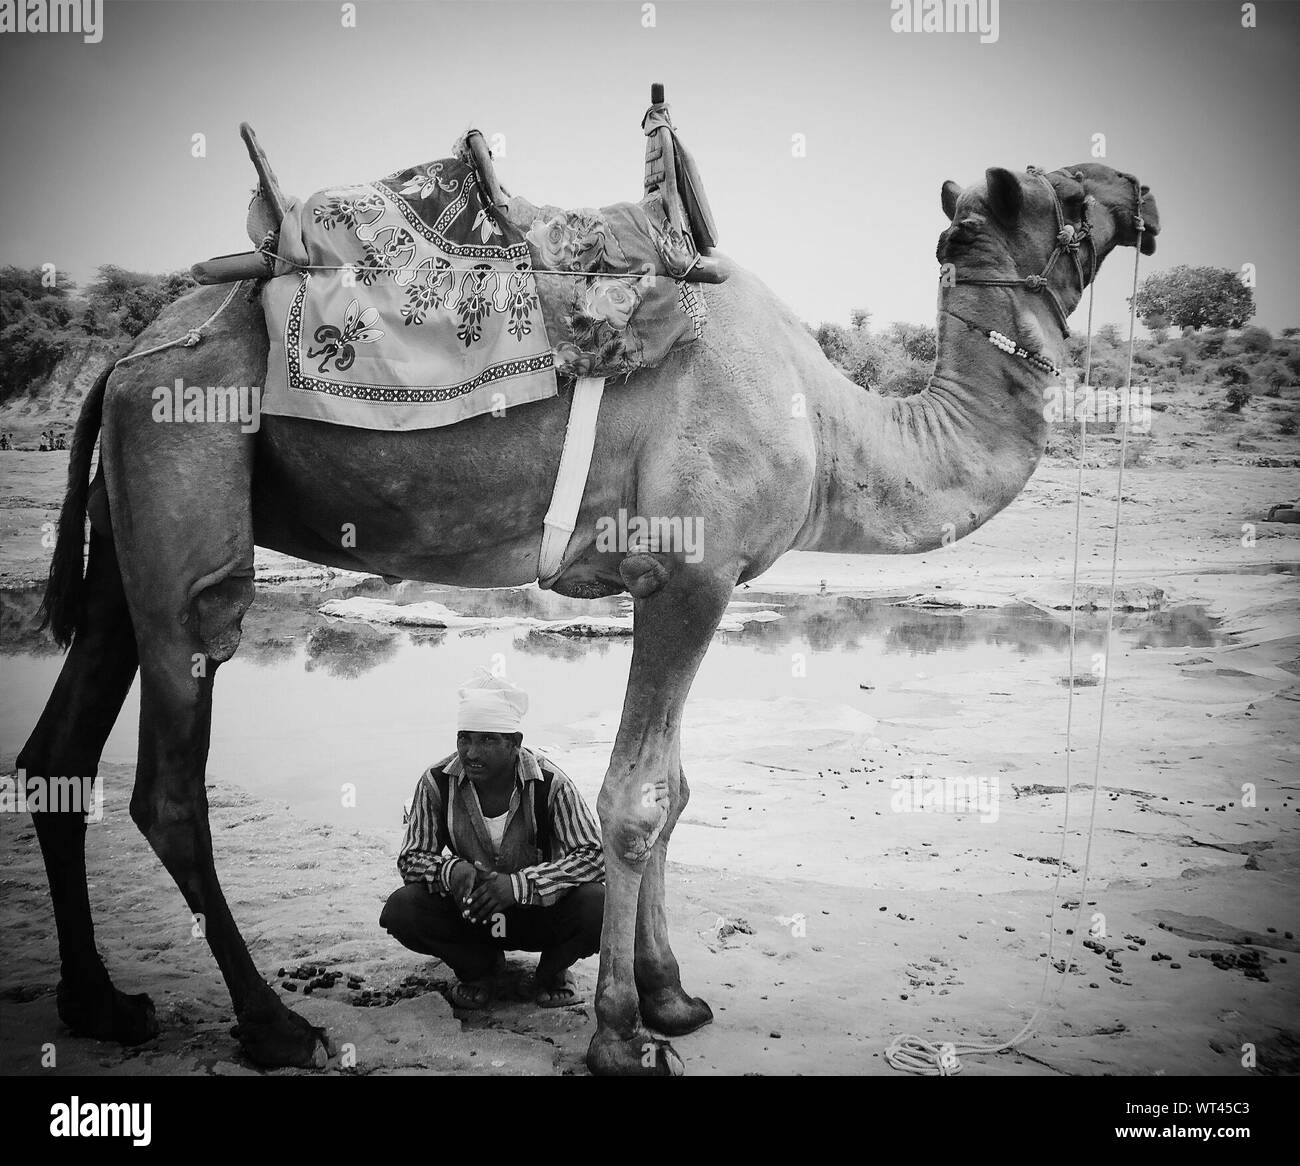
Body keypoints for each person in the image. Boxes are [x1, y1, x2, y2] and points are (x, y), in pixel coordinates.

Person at [380, 669, 605, 1010]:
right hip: (475, 913)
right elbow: (411, 857)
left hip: (539, 914)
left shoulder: (550, 783)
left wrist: (517, 886)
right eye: (464, 738)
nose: (471, 752)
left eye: (486, 740)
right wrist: (451, 873)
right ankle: (480, 969)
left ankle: (552, 973)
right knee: (402, 909)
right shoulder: (437, 782)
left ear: (514, 744)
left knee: (600, 904)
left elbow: (593, 855)